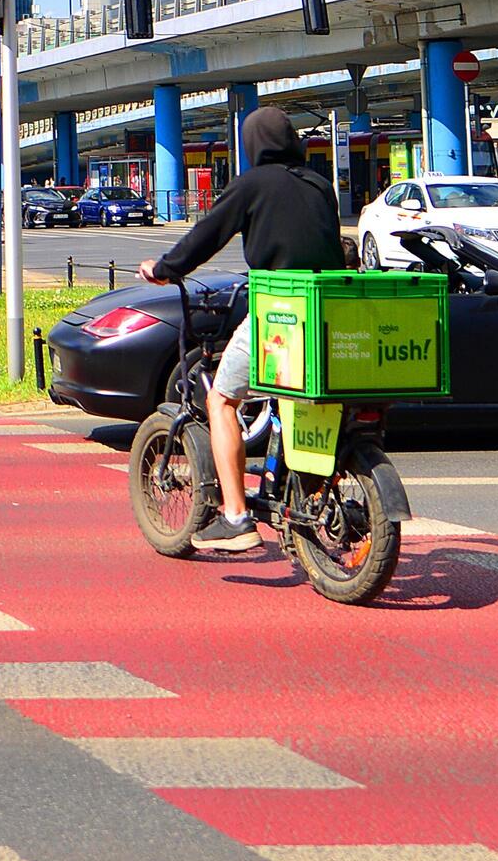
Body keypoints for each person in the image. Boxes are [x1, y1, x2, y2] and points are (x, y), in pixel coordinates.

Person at [134, 107, 350, 553]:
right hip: (330, 308)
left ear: (252, 145)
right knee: (299, 396)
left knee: (222, 399)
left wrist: (163, 268)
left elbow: (206, 236)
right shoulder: (320, 184)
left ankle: (235, 517)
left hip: (281, 310)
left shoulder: (252, 184)